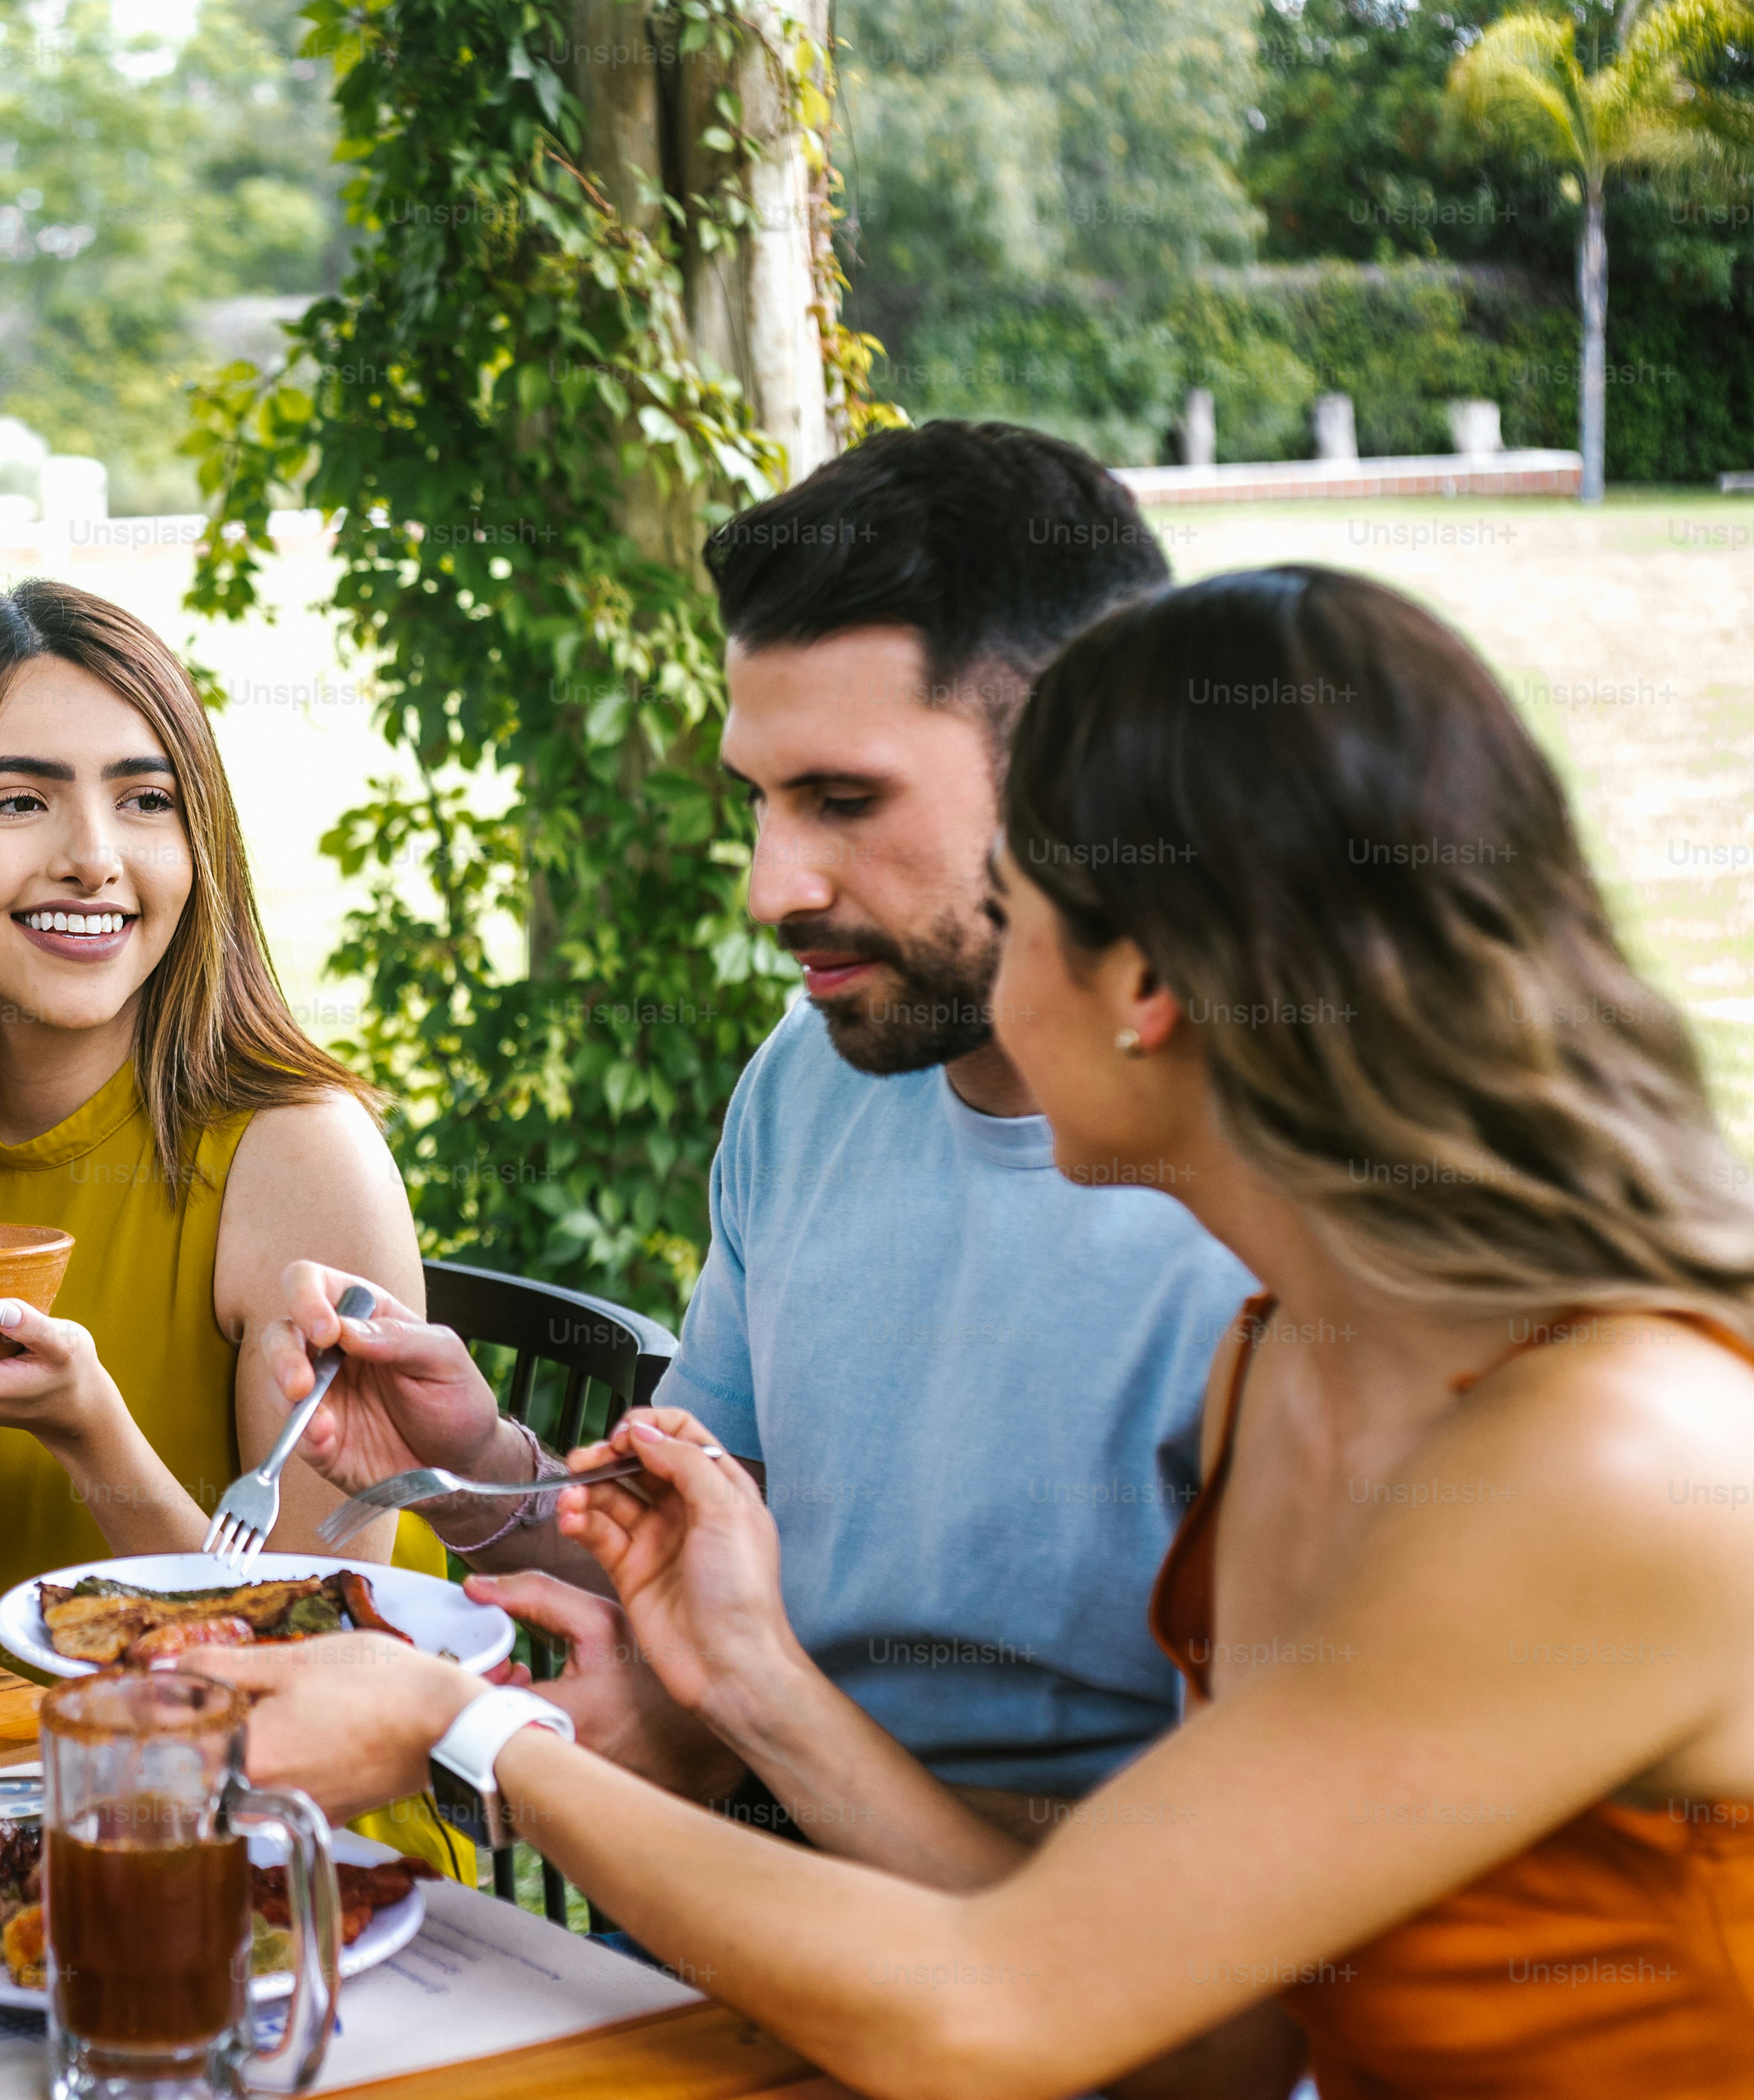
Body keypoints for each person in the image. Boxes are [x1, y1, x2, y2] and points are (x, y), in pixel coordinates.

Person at [192, 567, 1754, 2100]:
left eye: (1021, 926)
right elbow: (1206, 2057)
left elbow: (992, 2021)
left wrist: (468, 1731)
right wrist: (750, 1679)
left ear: (1144, 986)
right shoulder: (1285, 1369)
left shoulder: (1604, 1459)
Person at [258, 423, 1254, 1849]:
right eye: (760, 803)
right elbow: (713, 1570)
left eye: (844, 801)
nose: (768, 887)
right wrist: (480, 1467)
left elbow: (1192, 1992)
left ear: (1084, 779)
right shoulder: (815, 1073)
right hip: (765, 1907)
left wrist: (717, 1752)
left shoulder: (1276, 1226)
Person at [0, 580, 440, 1649]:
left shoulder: (301, 1159)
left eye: (146, 800)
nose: (95, 856)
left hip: (236, 1798)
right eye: (19, 801)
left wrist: (88, 1433)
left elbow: (318, 1659)